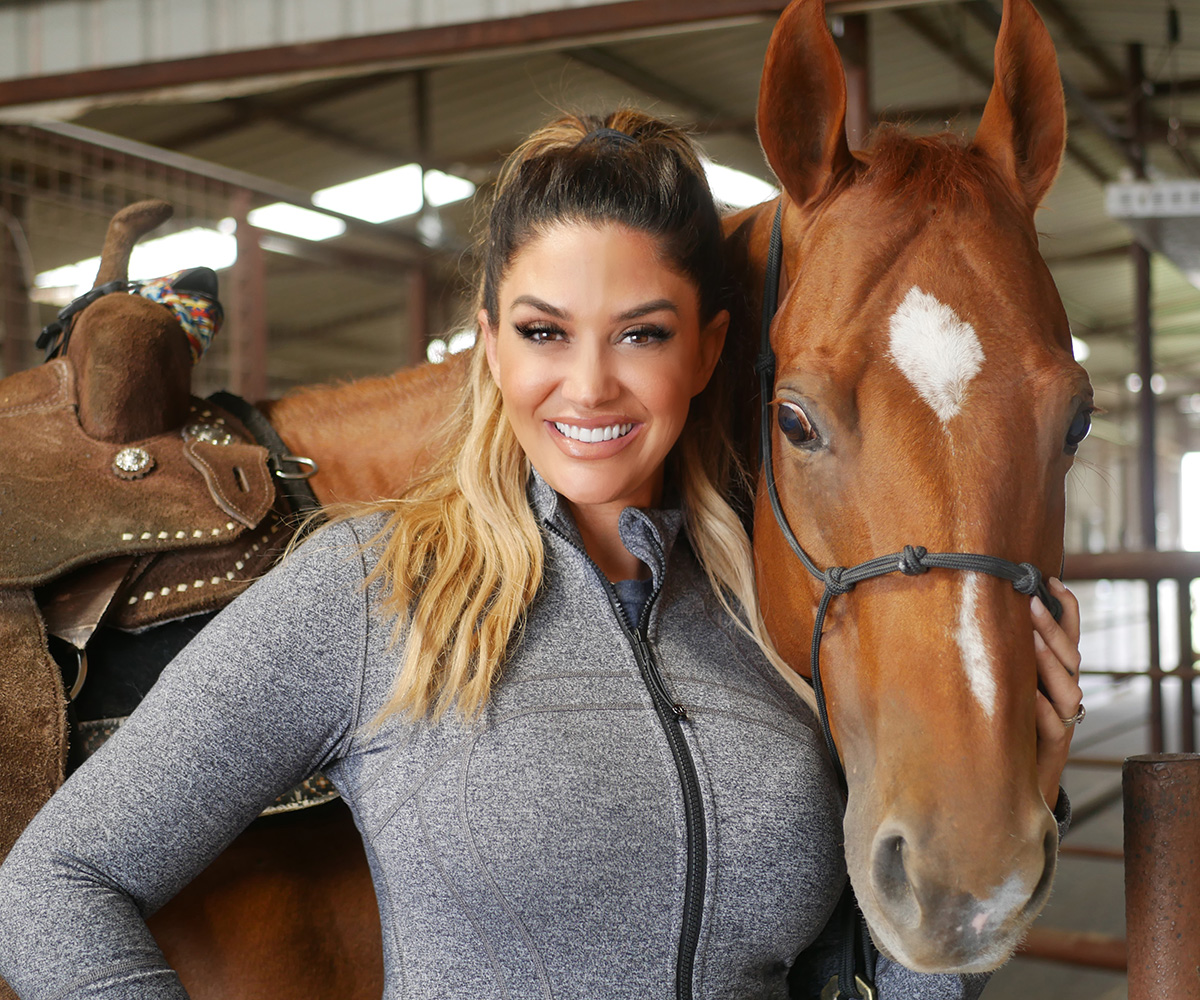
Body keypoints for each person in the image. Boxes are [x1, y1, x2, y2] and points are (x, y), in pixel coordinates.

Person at [0, 110, 1082, 999]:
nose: (591, 387)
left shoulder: (774, 628)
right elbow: (55, 881)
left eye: (643, 333)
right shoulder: (372, 584)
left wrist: (1021, 777)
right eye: (544, 331)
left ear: (708, 346)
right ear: (490, 340)